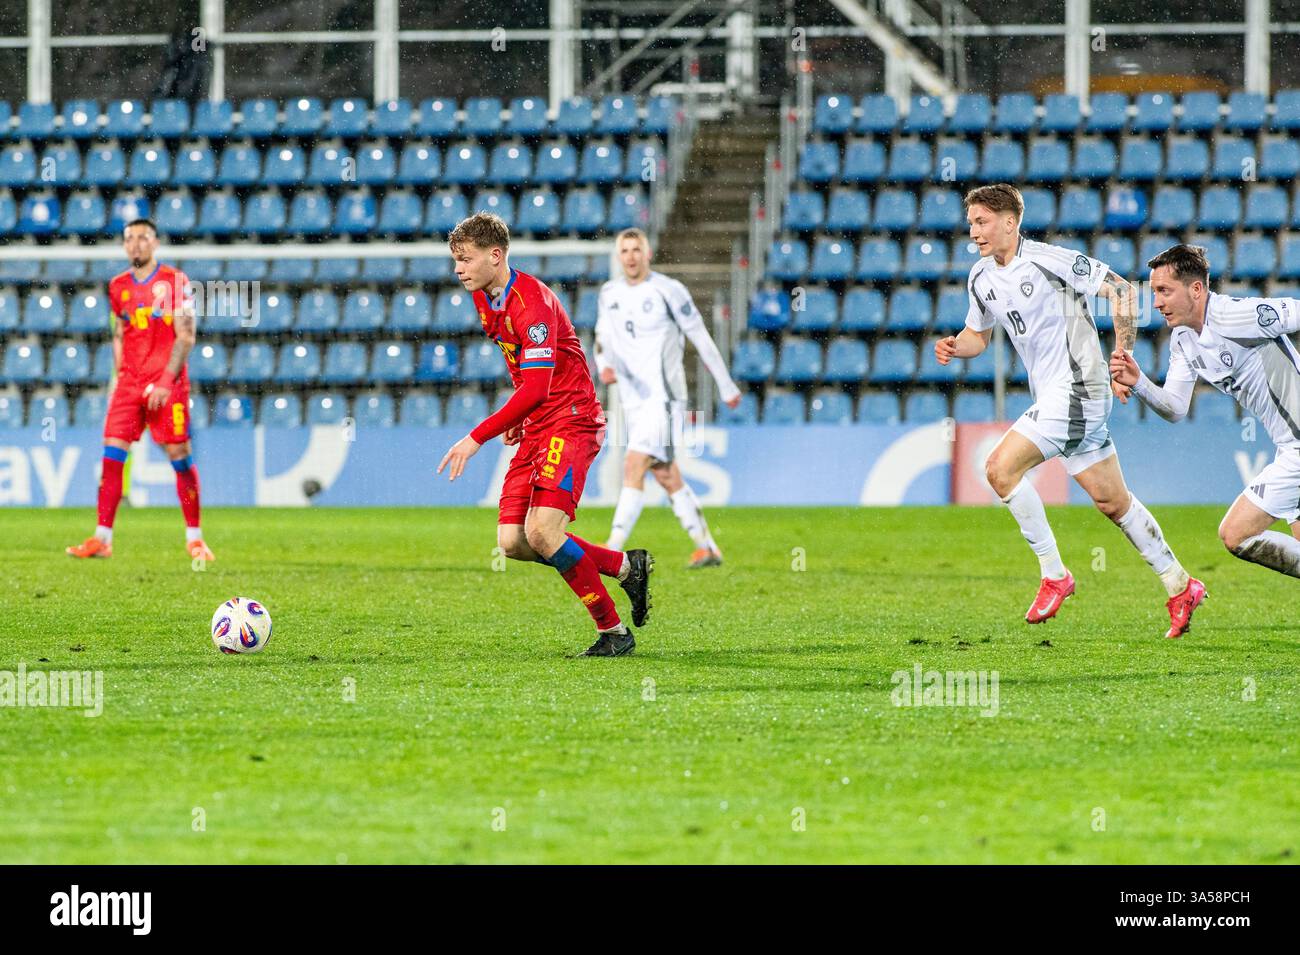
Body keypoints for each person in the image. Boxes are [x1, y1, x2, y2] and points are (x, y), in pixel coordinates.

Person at [934, 184, 1204, 638]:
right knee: (1112, 501)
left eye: (981, 222)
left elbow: (1122, 291)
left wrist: (1121, 358)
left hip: (1079, 387)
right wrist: (955, 347)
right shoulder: (980, 278)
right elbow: (976, 336)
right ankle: (1180, 584)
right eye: (971, 224)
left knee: (1000, 470)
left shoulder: (1050, 261)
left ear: (1009, 221)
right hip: (1057, 396)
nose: (974, 232)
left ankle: (1054, 574)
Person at [437, 212, 652, 657]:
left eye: (466, 259)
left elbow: (538, 385)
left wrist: (476, 436)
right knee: (513, 542)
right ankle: (625, 567)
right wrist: (518, 414)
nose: (458, 268)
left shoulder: (531, 303)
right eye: (455, 259)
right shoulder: (484, 296)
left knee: (543, 532)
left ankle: (613, 632)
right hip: (538, 420)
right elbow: (524, 371)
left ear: (495, 256)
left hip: (570, 419)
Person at [1111, 243, 1300, 583]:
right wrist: (1139, 381)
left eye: (1164, 291)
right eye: (1154, 292)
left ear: (1196, 289)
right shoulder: (1183, 339)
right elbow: (1175, 408)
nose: (1156, 302)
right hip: (1288, 446)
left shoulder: (1236, 315)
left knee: (1236, 533)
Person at [67, 218, 212, 562]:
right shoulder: (117, 286)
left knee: (179, 457)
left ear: (155, 243)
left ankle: (195, 539)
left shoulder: (176, 281)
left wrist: (164, 381)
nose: (135, 244)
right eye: (129, 239)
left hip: (168, 383)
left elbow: (187, 335)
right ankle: (102, 538)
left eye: (142, 238)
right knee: (112, 457)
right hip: (129, 385)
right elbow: (119, 332)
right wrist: (121, 375)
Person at [595, 228, 741, 566]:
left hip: (664, 397)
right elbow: (602, 336)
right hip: (632, 399)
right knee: (664, 474)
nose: (631, 256)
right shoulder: (609, 292)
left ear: (647, 254)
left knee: (633, 463)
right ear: (619, 256)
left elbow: (700, 338)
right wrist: (603, 365)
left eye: (637, 250)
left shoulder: (669, 291)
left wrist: (726, 385)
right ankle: (707, 547)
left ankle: (613, 546)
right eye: (625, 250)